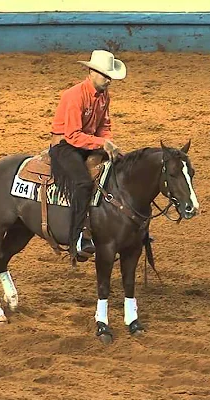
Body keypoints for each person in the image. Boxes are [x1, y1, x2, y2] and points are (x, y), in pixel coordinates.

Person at [48, 50, 125, 262]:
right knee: (83, 183)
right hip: (65, 146)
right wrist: (101, 143)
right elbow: (72, 135)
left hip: (86, 143)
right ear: (91, 72)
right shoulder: (74, 95)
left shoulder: (103, 97)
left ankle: (118, 226)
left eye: (109, 76)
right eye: (103, 74)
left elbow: (104, 126)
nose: (107, 79)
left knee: (120, 166)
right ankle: (78, 237)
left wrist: (107, 143)